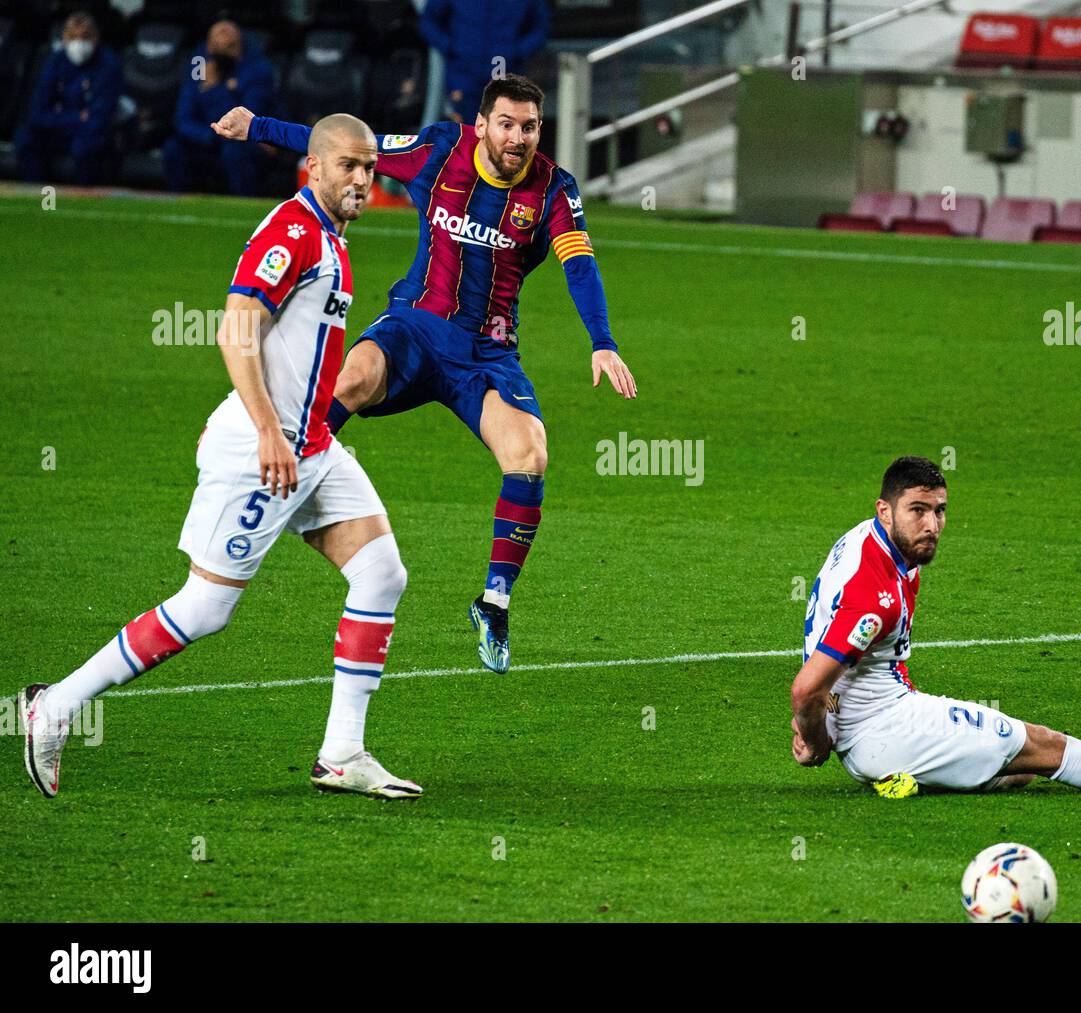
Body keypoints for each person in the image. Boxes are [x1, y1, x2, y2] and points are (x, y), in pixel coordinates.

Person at [20, 114, 422, 801]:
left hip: (313, 448)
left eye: (370, 169)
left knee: (381, 572)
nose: (362, 179)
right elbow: (236, 327)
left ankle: (341, 754)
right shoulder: (292, 233)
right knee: (205, 608)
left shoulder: (330, 238)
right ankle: (54, 705)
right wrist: (269, 430)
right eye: (349, 166)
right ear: (314, 166)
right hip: (262, 452)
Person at [211, 74, 637, 675]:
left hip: (486, 354)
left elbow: (580, 266)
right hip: (413, 327)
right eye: (508, 125)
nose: (519, 138)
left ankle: (493, 602)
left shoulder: (553, 190)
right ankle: (278, 482)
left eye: (531, 127)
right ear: (483, 124)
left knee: (530, 454)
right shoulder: (439, 149)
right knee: (350, 380)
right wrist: (259, 127)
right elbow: (345, 143)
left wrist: (601, 342)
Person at [790, 456, 1081, 797]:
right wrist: (817, 741)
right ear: (886, 510)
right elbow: (805, 689)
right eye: (918, 511)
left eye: (940, 510)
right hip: (884, 725)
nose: (932, 525)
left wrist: (830, 717)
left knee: (1019, 773)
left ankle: (904, 774)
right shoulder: (874, 596)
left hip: (870, 721)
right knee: (1044, 747)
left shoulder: (870, 538)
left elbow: (831, 661)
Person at [163, 19, 275, 196]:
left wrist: (215, 89)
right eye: (216, 46)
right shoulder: (199, 63)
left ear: (239, 47)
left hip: (242, 141)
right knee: (174, 148)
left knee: (235, 152)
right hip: (207, 136)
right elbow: (184, 115)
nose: (222, 53)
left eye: (229, 46)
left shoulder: (257, 67)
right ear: (208, 47)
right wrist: (210, 135)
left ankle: (242, 206)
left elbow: (246, 118)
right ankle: (180, 203)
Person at [15, 11, 122, 185]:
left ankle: (83, 200)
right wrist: (77, 116)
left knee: (86, 146)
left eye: (85, 37)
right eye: (73, 37)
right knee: (27, 139)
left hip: (88, 133)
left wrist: (60, 115)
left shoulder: (108, 65)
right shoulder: (56, 61)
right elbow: (37, 112)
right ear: (64, 38)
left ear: (96, 37)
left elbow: (98, 117)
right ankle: (42, 198)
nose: (79, 43)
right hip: (60, 128)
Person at [418, 0, 550, 123]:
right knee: (466, 137)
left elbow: (540, 27)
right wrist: (451, 46)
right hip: (464, 79)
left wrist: (517, 51)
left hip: (507, 78)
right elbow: (428, 22)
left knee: (504, 136)